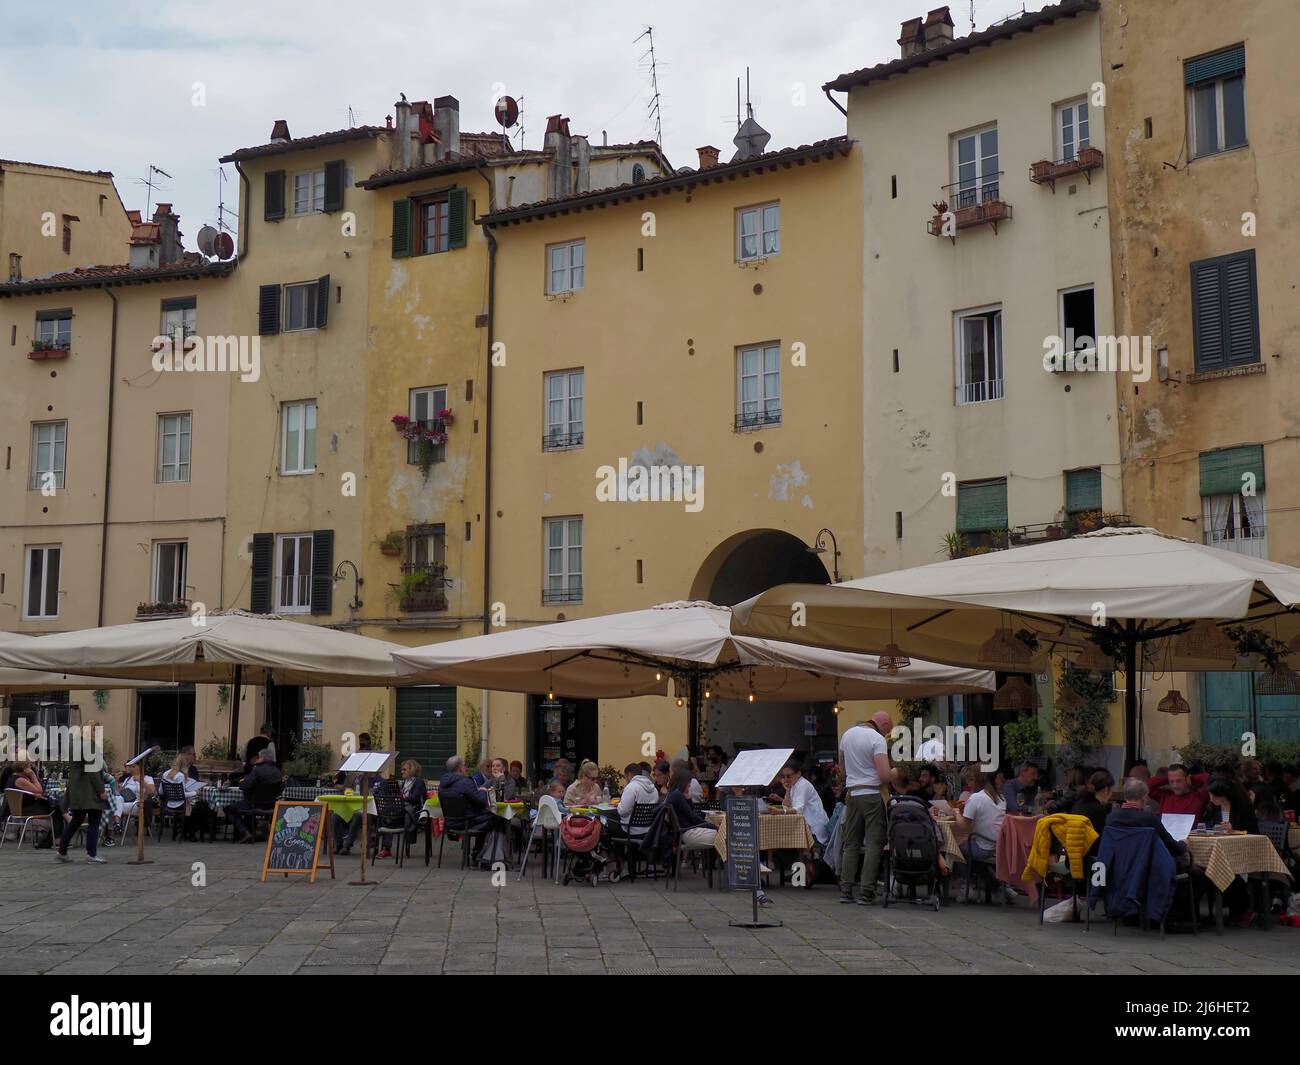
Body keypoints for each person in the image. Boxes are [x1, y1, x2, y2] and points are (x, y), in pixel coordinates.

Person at [837, 711, 893, 905]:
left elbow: (842, 768)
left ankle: (846, 889)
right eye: (888, 730)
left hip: (852, 794)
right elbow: (885, 775)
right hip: (871, 794)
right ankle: (866, 891)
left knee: (851, 843)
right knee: (873, 843)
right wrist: (898, 771)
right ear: (883, 724)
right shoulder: (877, 739)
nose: (887, 734)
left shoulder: (847, 735)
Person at [439, 755, 509, 866]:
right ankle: (486, 855)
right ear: (459, 768)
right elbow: (482, 801)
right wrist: (483, 790)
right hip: (466, 822)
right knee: (498, 818)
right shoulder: (465, 782)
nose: (467, 768)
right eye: (465, 765)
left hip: (451, 822)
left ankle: (481, 853)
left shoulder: (442, 784)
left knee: (487, 817)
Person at [56, 725, 108, 865]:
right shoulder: (88, 745)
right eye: (94, 730)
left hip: (76, 787)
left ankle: (62, 851)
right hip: (88, 789)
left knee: (76, 821)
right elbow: (93, 770)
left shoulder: (74, 744)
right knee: (94, 820)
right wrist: (101, 790)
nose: (96, 733)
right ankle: (91, 854)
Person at [1107, 779, 1186, 861]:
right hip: (1145, 867)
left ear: (1125, 796)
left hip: (1118, 865)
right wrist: (1183, 844)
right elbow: (1172, 848)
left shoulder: (1111, 818)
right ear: (1144, 797)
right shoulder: (1148, 818)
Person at [225, 747, 283, 843]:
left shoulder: (257, 770)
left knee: (228, 808)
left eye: (258, 757)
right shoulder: (278, 772)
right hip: (271, 805)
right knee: (242, 806)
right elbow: (280, 789)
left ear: (263, 758)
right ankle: (253, 831)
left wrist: (240, 782)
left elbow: (246, 785)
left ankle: (245, 832)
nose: (257, 760)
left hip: (254, 805)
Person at [378, 758, 428, 859]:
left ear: (412, 770)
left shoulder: (419, 782)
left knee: (389, 815)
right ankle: (385, 847)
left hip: (415, 811)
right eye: (402, 769)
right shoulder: (405, 781)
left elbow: (415, 798)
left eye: (404, 769)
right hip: (403, 809)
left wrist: (402, 798)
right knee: (385, 813)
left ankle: (386, 847)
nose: (402, 772)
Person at [954, 771, 1006, 865]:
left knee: (954, 845)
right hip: (1000, 846)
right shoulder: (1001, 798)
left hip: (984, 848)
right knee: (968, 839)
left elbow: (963, 826)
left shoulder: (976, 797)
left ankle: (961, 877)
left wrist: (956, 812)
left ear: (979, 780)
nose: (969, 783)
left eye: (972, 779)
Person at [664, 765, 716, 850]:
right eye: (688, 784)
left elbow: (690, 815)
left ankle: (712, 863)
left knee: (723, 835)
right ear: (683, 783)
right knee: (725, 837)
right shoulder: (677, 795)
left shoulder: (672, 795)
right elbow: (693, 817)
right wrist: (713, 826)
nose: (689, 786)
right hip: (688, 833)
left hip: (683, 834)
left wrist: (688, 800)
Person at [780, 758, 829, 845]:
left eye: (788, 776)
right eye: (784, 777)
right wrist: (787, 790)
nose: (786, 779)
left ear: (798, 773)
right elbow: (786, 805)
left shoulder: (803, 785)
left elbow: (798, 809)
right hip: (805, 826)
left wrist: (781, 811)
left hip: (814, 829)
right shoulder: (793, 785)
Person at [1071, 769, 1115, 838]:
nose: (1111, 793)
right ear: (1106, 789)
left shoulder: (1079, 803)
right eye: (1111, 789)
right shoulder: (1098, 810)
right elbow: (1101, 838)